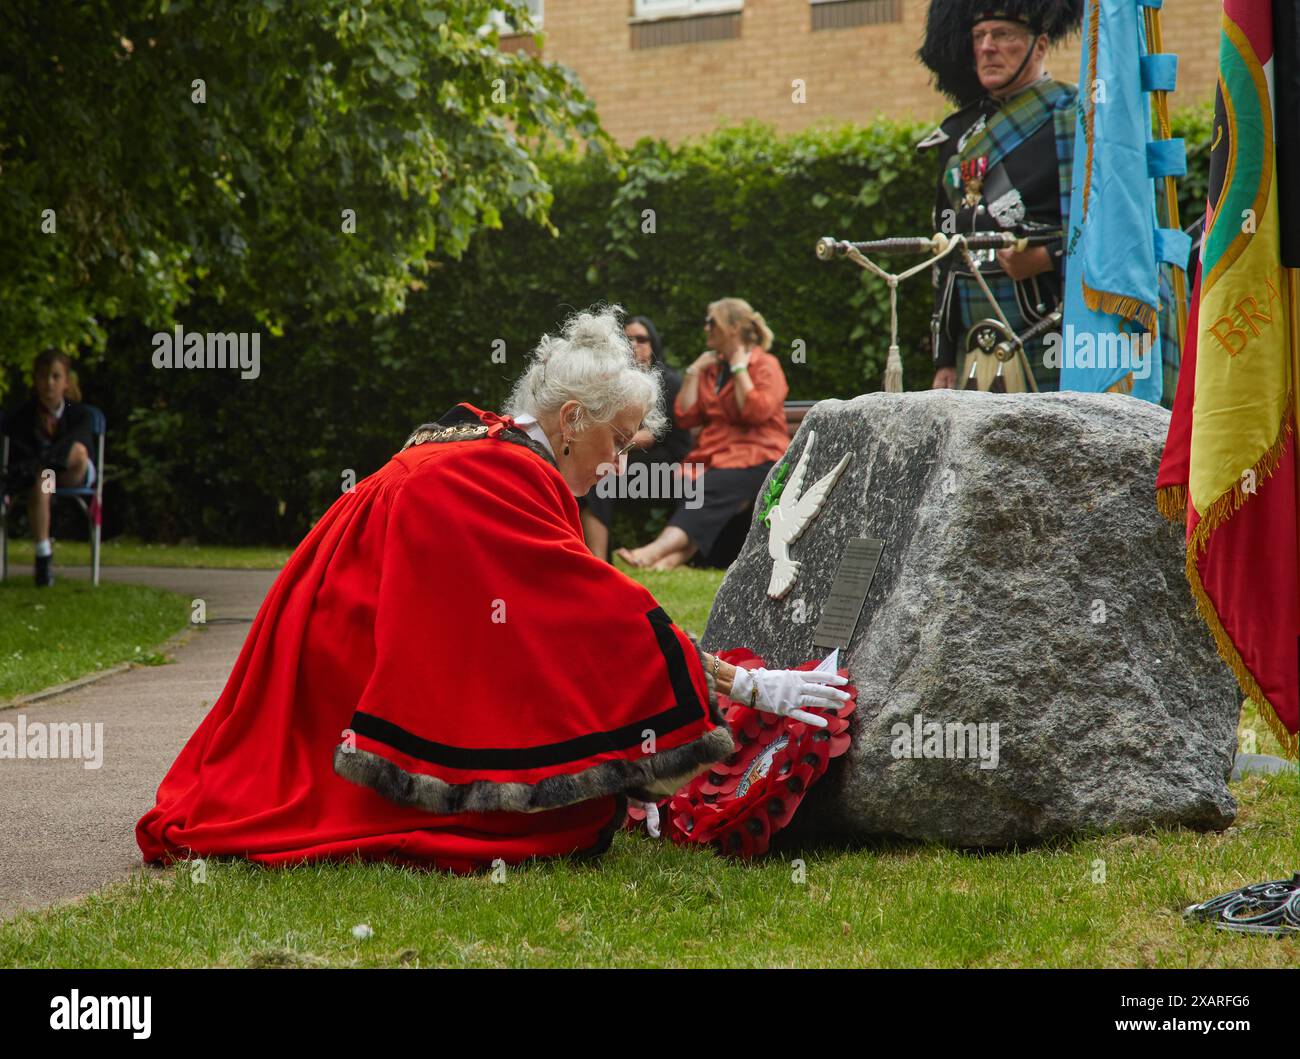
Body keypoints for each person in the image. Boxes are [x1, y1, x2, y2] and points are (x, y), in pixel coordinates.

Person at [136, 306, 849, 873]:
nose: (621, 463)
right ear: (571, 418)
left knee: (571, 807)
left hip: (330, 629)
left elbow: (543, 630)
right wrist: (752, 688)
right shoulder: (509, 476)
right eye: (619, 440)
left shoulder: (492, 445)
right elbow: (609, 617)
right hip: (342, 647)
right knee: (561, 822)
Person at [917, 1, 1081, 393]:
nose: (987, 47)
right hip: (975, 336)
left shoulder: (1073, 116)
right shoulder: (958, 135)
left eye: (1003, 34)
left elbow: (1106, 227)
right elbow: (946, 253)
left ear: (1039, 46)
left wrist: (1047, 257)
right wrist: (943, 357)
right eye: (979, 36)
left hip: (1051, 331)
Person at [616, 298, 789, 571]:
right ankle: (672, 559)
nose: (706, 328)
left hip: (760, 458)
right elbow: (686, 416)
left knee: (711, 488)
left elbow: (756, 412)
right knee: (706, 486)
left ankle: (655, 552)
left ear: (732, 328)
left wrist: (741, 368)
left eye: (712, 322)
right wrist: (694, 371)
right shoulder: (712, 369)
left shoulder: (765, 365)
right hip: (719, 458)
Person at [578, 315, 692, 563]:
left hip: (669, 466)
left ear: (653, 344)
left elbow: (653, 435)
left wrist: (612, 443)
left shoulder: (667, 381)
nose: (634, 345)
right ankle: (590, 557)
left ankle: (597, 560)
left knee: (602, 475)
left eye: (641, 339)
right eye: (627, 339)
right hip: (631, 457)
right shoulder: (616, 380)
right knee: (592, 473)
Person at [1, 351, 96, 587]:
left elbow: (79, 447)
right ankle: (43, 555)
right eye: (43, 377)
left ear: (66, 382)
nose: (49, 383)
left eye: (56, 377)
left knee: (77, 452)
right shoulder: (22, 417)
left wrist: (46, 458)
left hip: (73, 473)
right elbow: (18, 455)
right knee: (44, 480)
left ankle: (46, 468)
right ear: (35, 380)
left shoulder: (81, 414)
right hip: (42, 478)